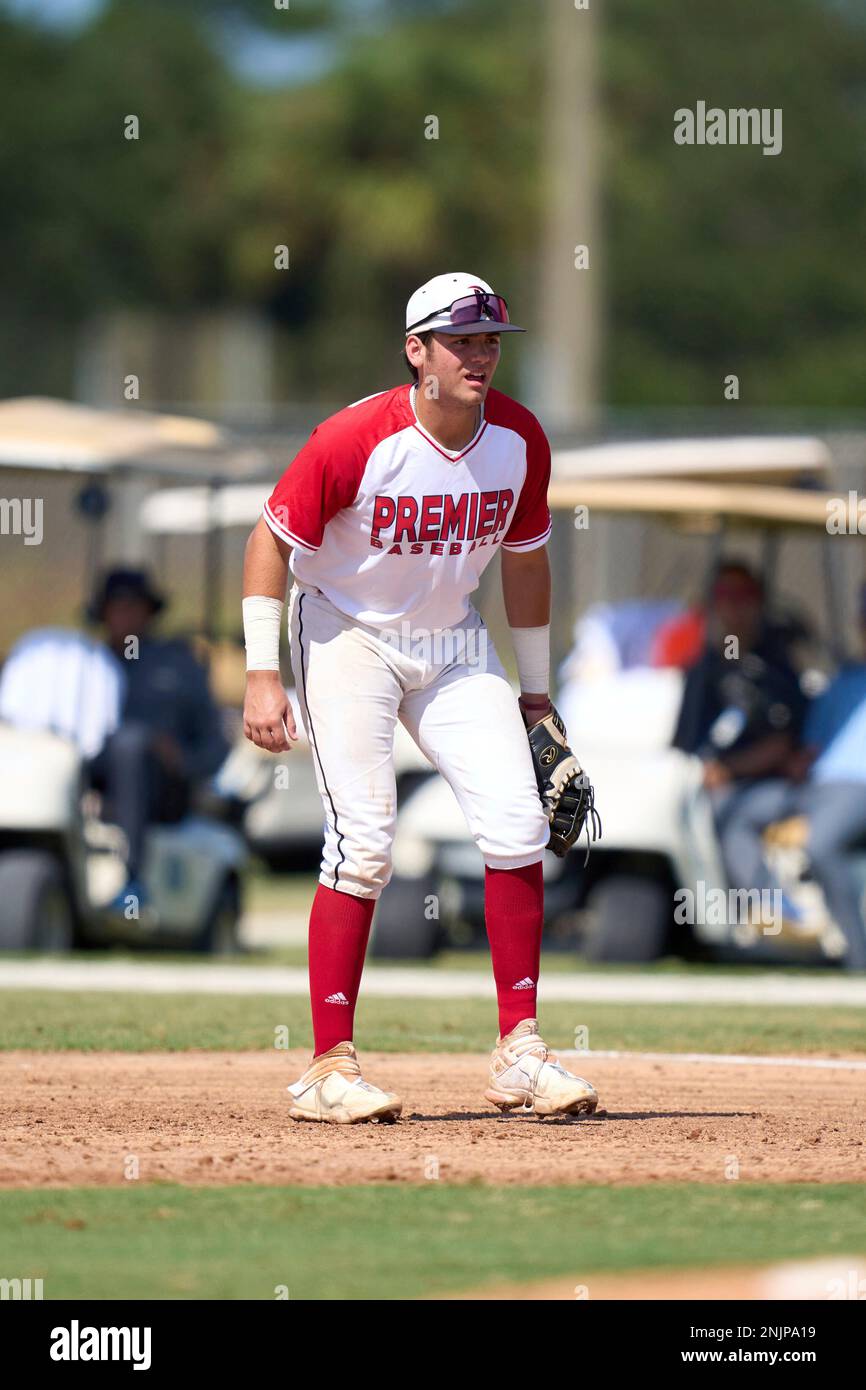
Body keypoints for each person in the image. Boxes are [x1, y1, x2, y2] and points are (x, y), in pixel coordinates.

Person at [241, 271, 599, 1124]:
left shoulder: (517, 440)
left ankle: (520, 1052)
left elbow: (526, 560)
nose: (480, 357)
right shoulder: (356, 437)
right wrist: (262, 672)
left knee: (517, 824)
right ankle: (328, 1067)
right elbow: (270, 539)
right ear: (417, 351)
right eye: (462, 341)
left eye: (491, 343)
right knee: (364, 843)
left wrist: (538, 692)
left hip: (451, 640)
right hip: (345, 633)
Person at [702, 584, 866, 971]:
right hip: (812, 786)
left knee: (821, 844)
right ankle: (782, 912)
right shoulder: (845, 679)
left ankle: (859, 959)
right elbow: (809, 747)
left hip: (856, 789)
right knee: (733, 811)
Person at [87, 568, 229, 911]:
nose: (124, 616)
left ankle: (133, 880)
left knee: (131, 743)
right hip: (98, 784)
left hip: (164, 790)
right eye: (116, 607)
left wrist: (181, 759)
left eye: (132, 606)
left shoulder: (178, 665)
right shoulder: (86, 667)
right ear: (103, 613)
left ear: (149, 612)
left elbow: (216, 745)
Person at [672, 560, 807, 913]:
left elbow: (783, 745)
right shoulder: (703, 669)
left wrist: (729, 770)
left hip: (773, 786)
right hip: (711, 783)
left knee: (731, 817)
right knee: (691, 811)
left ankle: (777, 914)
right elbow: (684, 742)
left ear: (758, 602)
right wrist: (705, 771)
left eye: (743, 596)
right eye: (725, 596)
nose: (734, 606)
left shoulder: (775, 667)